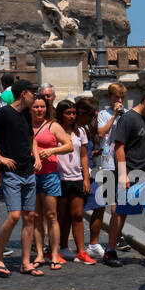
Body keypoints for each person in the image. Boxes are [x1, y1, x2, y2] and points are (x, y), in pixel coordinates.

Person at [101, 88, 145, 268]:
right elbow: (119, 147)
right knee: (121, 212)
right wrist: (123, 173)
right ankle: (110, 250)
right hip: (132, 172)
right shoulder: (128, 118)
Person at [0, 79, 41, 277]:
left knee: (29, 217)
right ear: (23, 94)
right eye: (33, 93)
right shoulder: (4, 112)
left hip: (28, 171)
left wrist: (36, 157)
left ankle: (25, 262)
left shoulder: (26, 114)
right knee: (14, 216)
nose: (36, 98)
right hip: (12, 173)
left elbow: (31, 138)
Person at [31, 95, 77, 269]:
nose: (39, 110)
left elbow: (69, 145)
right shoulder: (26, 125)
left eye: (42, 107)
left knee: (51, 215)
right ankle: (40, 253)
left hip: (49, 174)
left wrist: (51, 150)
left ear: (47, 108)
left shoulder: (53, 126)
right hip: (31, 174)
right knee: (35, 216)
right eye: (35, 107)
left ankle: (55, 253)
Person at [86, 83, 128, 259]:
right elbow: (101, 133)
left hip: (124, 162)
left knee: (123, 202)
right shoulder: (104, 115)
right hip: (109, 162)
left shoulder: (127, 114)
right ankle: (115, 236)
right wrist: (114, 117)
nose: (119, 100)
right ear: (110, 98)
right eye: (116, 97)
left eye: (121, 97)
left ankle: (116, 234)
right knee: (114, 203)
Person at [53, 99, 95, 264]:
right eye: (68, 113)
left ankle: (81, 250)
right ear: (61, 114)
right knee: (61, 216)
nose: (71, 116)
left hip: (76, 177)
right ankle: (61, 247)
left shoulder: (81, 132)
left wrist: (86, 178)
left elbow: (84, 155)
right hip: (59, 177)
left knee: (77, 215)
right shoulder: (55, 130)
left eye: (73, 113)